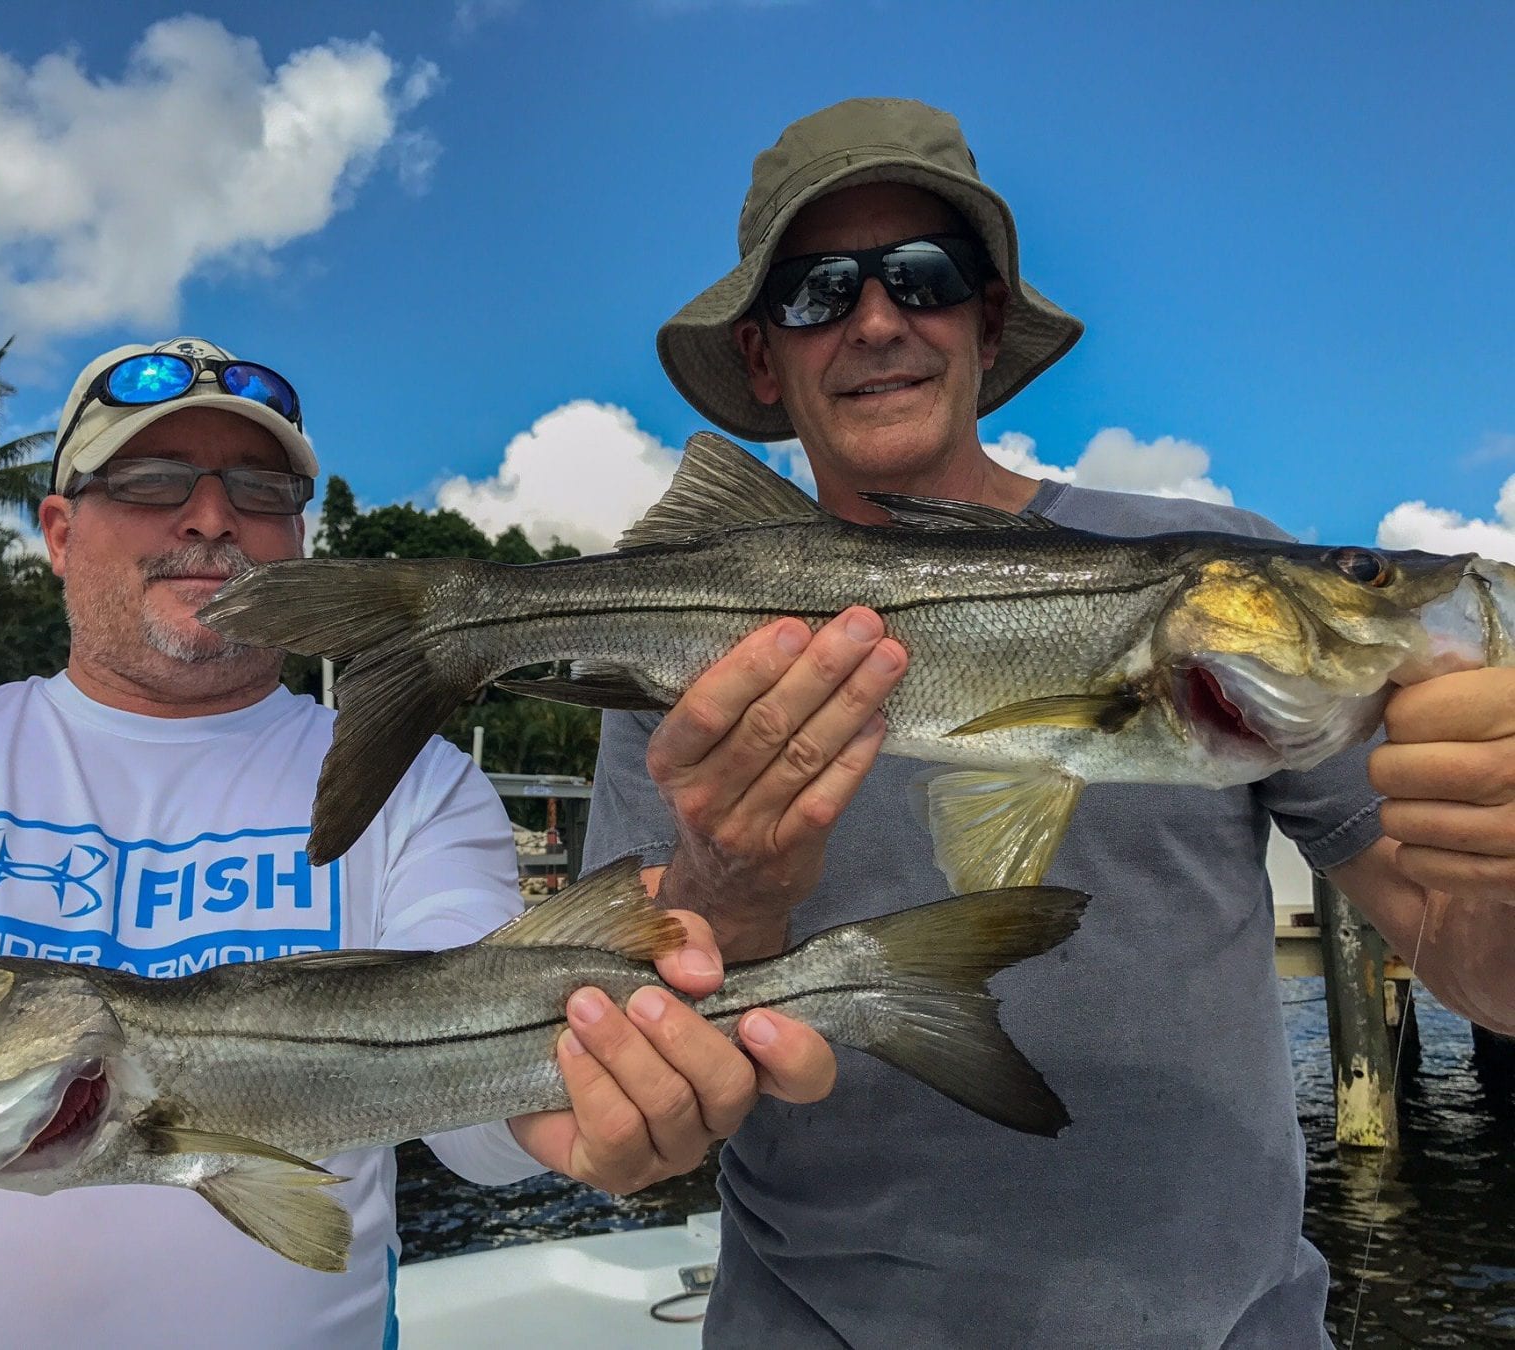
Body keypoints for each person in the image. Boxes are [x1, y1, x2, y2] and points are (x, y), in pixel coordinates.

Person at [583, 99, 1515, 1348]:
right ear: (763, 359)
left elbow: (1476, 970)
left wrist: (1501, 873)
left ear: (984, 318)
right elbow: (611, 1110)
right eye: (815, 292)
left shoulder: (1235, 573)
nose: (875, 319)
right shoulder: (674, 657)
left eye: (924, 276)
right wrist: (721, 887)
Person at [0, 336, 835, 1348]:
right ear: (58, 532)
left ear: (299, 537)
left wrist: (594, 1114)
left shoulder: (417, 781)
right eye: (152, 482)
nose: (210, 519)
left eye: (259, 489)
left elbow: (483, 1121)